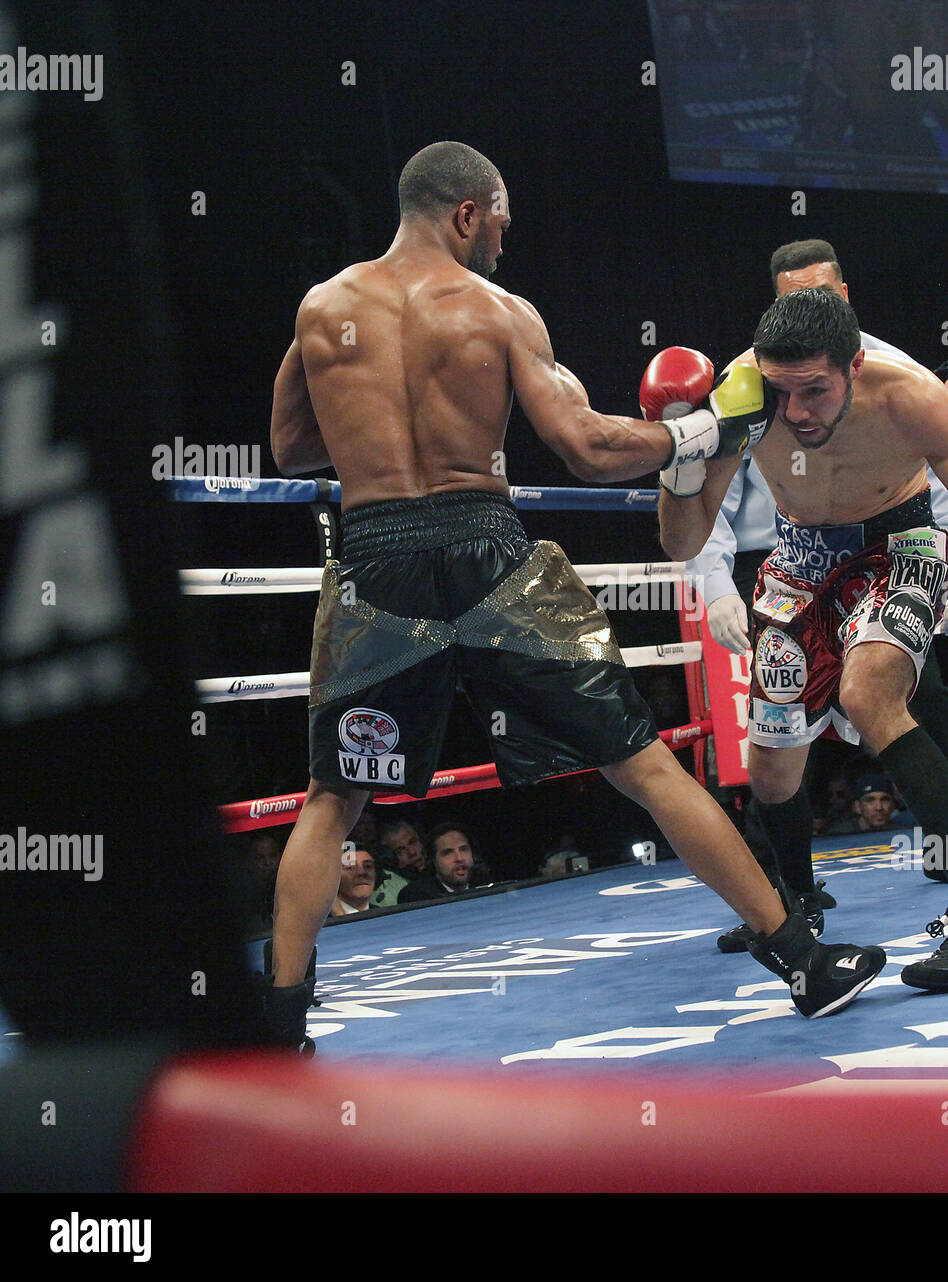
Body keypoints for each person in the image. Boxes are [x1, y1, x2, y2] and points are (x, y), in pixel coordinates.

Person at [265, 142, 882, 1048]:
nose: (506, 243)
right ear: (470, 213)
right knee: (642, 763)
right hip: (488, 553)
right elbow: (588, 449)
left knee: (333, 797)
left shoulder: (321, 310)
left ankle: (278, 1023)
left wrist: (375, 433)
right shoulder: (498, 311)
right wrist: (699, 434)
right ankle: (801, 958)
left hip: (374, 561)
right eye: (503, 221)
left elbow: (289, 452)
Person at [658, 286, 948, 990]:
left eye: (815, 391)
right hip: (797, 560)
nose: (796, 412)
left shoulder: (911, 395)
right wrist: (682, 454)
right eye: (782, 391)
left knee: (870, 696)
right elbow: (681, 538)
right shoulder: (742, 401)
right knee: (772, 763)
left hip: (899, 546)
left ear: (854, 366)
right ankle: (797, 906)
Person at [398, 823, 480, 901]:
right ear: (433, 861)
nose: (459, 858)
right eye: (448, 853)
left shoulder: (486, 883)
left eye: (463, 849)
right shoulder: (416, 895)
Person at [331, 846, 378, 916]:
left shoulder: (386, 915)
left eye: (368, 866)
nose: (362, 872)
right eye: (350, 868)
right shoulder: (317, 922)